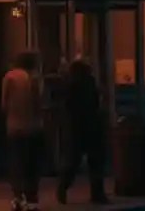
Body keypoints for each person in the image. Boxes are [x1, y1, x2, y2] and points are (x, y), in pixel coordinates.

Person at [56, 56, 107, 205]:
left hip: (76, 127)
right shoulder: (89, 82)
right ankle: (97, 194)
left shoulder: (69, 84)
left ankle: (63, 187)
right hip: (91, 126)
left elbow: (67, 106)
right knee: (96, 162)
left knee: (73, 161)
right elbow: (96, 103)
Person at [2, 51, 43, 211]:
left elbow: (4, 103)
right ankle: (32, 199)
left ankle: (18, 197)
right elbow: (39, 101)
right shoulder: (34, 77)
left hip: (14, 127)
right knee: (32, 164)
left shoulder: (10, 77)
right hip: (33, 127)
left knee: (16, 163)